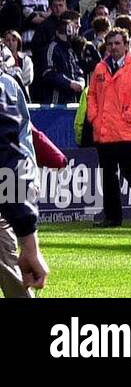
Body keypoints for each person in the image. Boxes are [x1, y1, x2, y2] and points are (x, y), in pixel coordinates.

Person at [86, 29, 131, 228]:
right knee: (108, 177)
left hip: (126, 131)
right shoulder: (101, 68)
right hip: (104, 130)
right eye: (110, 44)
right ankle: (113, 217)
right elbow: (91, 94)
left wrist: (129, 114)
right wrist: (93, 116)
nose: (113, 47)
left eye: (117, 43)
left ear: (126, 45)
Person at [0, 64, 47, 298]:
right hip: (9, 183)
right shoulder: (4, 85)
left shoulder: (8, 84)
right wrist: (29, 242)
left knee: (6, 258)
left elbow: (21, 140)